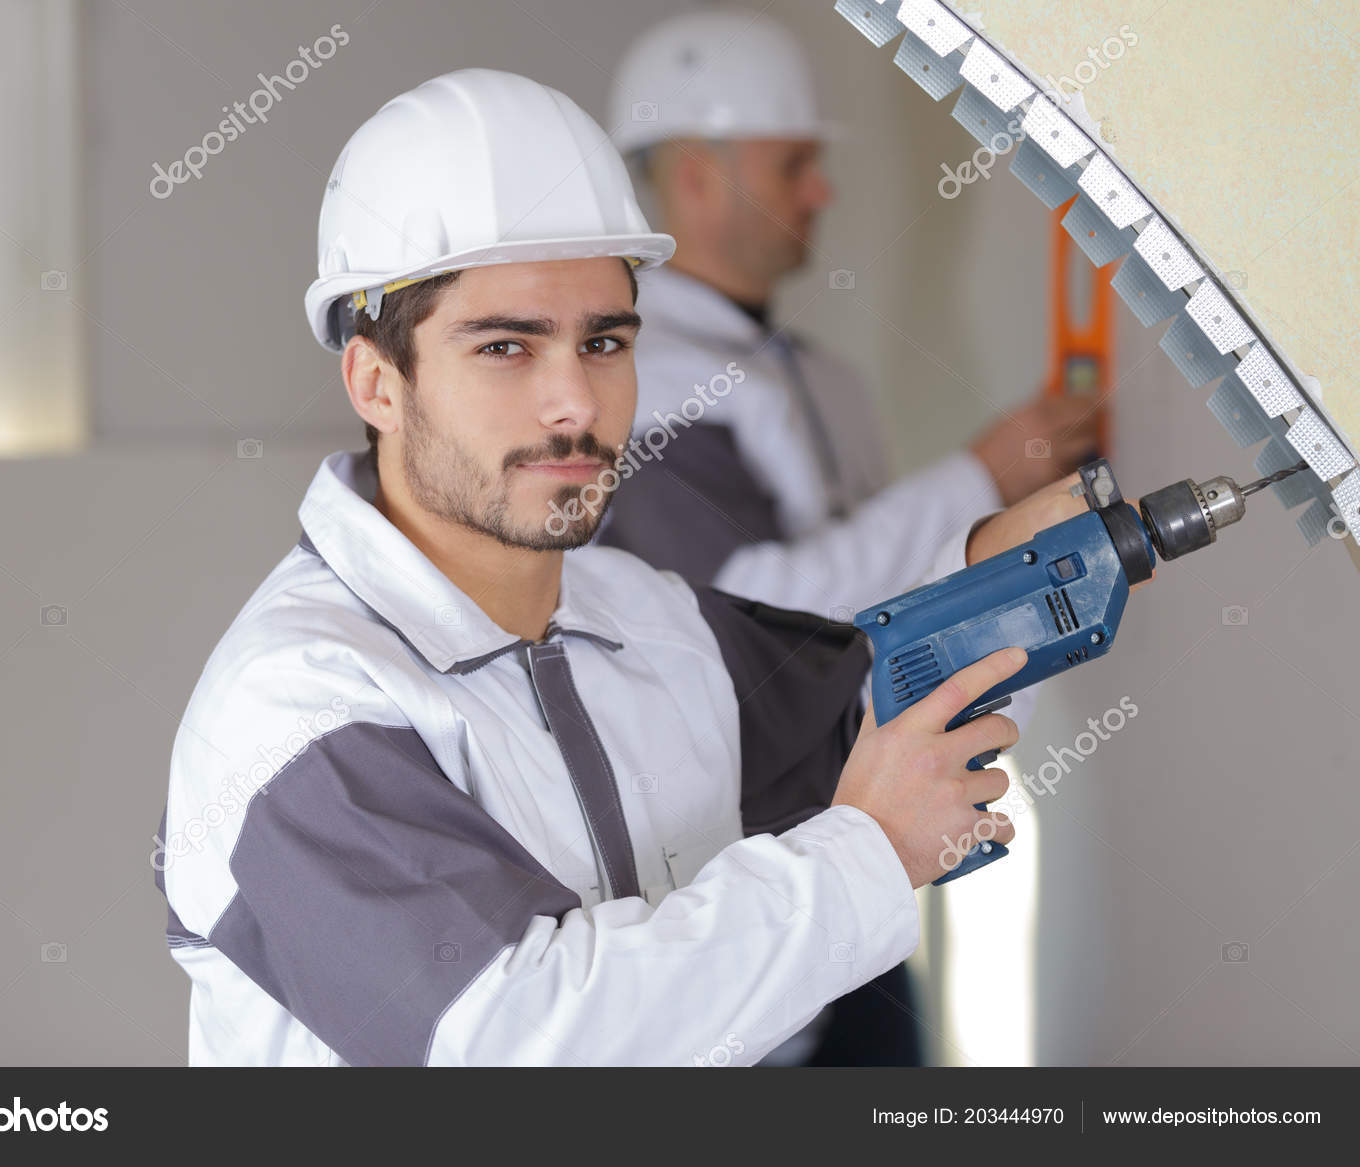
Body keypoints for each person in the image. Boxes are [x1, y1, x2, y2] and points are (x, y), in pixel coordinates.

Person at [153, 68, 1079, 1066]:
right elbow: (512, 1038)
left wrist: (1029, 562)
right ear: (378, 382)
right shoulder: (298, 708)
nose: (575, 404)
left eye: (603, 341)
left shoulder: (654, 623)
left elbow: (884, 707)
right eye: (507, 347)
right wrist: (865, 858)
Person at [601, 9, 1099, 1065]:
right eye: (794, 166)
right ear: (696, 177)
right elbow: (750, 608)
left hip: (862, 857)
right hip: (748, 891)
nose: (822, 192)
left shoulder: (817, 374)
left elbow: (887, 601)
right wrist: (978, 482)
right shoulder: (642, 382)